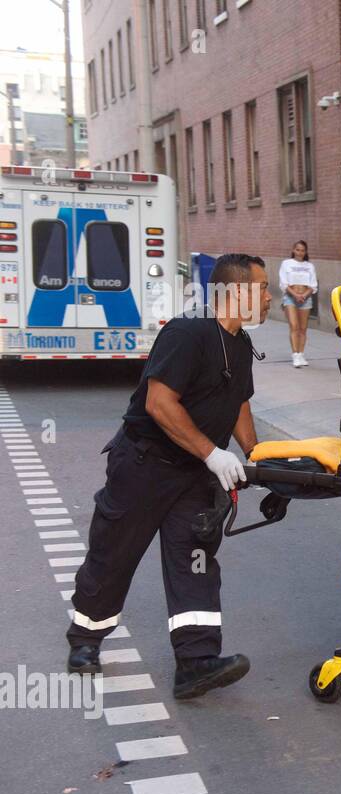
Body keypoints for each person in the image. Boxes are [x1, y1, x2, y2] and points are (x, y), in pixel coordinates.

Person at [65, 254, 269, 699]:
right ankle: (85, 639)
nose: (270, 297)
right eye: (263, 287)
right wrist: (214, 453)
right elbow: (160, 404)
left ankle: (195, 662)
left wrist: (260, 458)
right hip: (144, 466)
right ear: (237, 293)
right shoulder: (186, 333)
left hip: (194, 476)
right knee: (114, 553)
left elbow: (238, 405)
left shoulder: (240, 343)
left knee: (194, 560)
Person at [279, 240, 317, 368]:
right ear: (293, 250)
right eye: (298, 250)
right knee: (294, 326)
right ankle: (295, 354)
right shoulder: (286, 264)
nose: (300, 252)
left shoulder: (309, 266)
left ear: (305, 252)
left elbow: (313, 284)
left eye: (302, 250)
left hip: (306, 298)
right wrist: (295, 295)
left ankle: (301, 354)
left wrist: (304, 295)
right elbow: (284, 282)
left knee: (303, 328)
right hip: (290, 298)